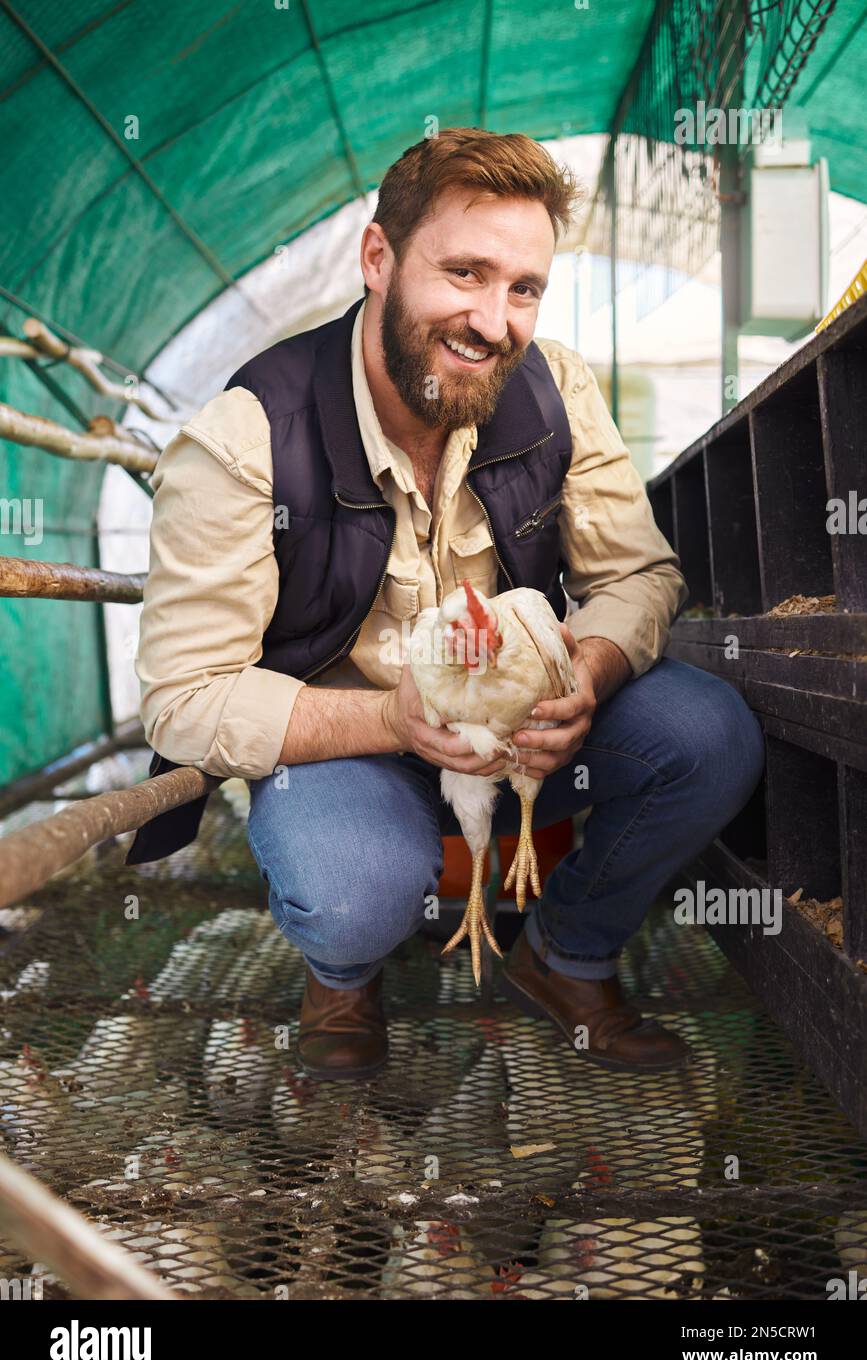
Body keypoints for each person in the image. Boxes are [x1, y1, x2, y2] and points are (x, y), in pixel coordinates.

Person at [134, 128, 765, 1080]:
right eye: (463, 272)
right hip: (353, 740)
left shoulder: (554, 389)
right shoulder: (246, 438)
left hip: (523, 726)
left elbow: (638, 576)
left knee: (711, 736)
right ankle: (343, 973)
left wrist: (582, 677)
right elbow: (182, 700)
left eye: (523, 288)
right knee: (350, 889)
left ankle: (564, 953)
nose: (492, 318)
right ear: (377, 258)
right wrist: (391, 714)